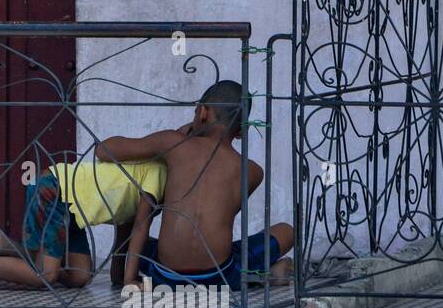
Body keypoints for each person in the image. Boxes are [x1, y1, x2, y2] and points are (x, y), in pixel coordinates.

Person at [94, 80, 294, 289]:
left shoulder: (173, 143)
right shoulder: (252, 172)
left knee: (132, 226)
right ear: (241, 131)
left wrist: (178, 136)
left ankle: (123, 278)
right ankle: (265, 274)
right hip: (220, 277)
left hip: (165, 275)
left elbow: (103, 150)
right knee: (286, 231)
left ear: (203, 113)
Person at [0, 158, 166, 290]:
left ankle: (2, 243)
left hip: (72, 207)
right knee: (45, 275)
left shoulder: (150, 184)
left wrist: (120, 277)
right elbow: (140, 229)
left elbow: (124, 233)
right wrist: (130, 281)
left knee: (80, 275)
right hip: (56, 189)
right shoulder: (158, 175)